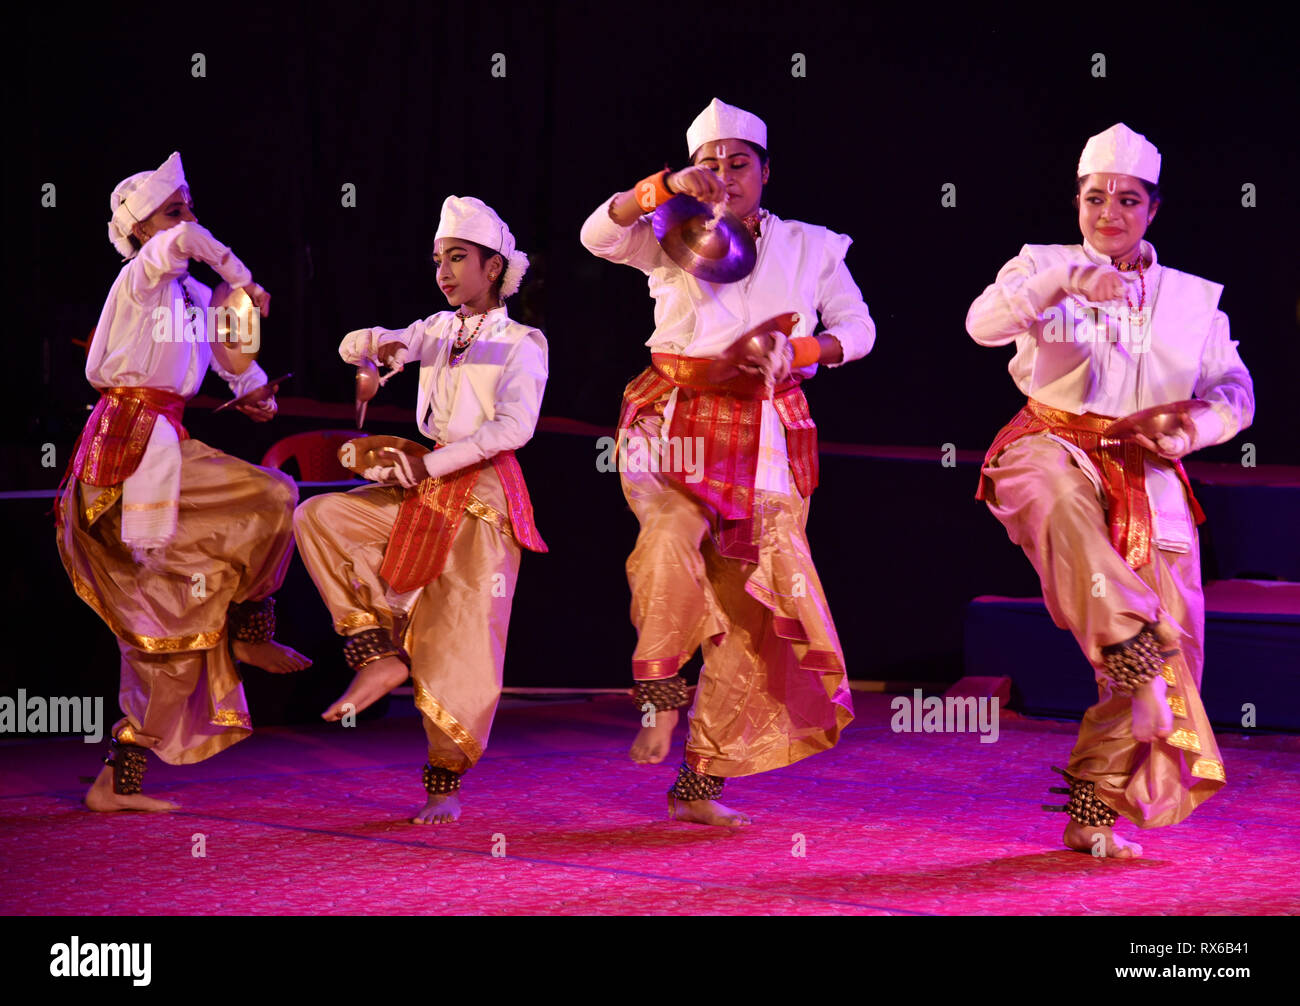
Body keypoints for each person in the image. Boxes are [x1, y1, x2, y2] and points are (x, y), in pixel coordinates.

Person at [580, 98, 876, 827]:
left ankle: (701, 783)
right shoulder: (668, 231)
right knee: (669, 539)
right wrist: (660, 190)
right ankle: (657, 698)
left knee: (751, 613)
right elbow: (595, 235)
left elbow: (859, 329)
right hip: (673, 413)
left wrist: (802, 351)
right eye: (710, 164)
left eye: (738, 163)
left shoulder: (811, 246)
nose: (724, 176)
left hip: (767, 430)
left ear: (765, 172)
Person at [966, 123, 1254, 858]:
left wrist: (1191, 432)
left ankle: (1091, 810)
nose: (1108, 214)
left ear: (1152, 209)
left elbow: (1234, 391)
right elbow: (982, 325)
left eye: (1127, 200)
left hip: (1145, 466)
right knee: (1063, 506)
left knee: (1180, 645)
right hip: (1050, 444)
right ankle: (1136, 652)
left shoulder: (1192, 301)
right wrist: (1064, 281)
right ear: (1077, 201)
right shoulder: (1043, 265)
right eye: (1095, 198)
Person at [57, 151, 310, 813]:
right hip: (127, 452)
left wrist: (256, 388)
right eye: (175, 209)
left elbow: (234, 353)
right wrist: (237, 269)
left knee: (168, 632)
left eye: (189, 206)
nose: (188, 219)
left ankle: (118, 781)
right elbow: (187, 243)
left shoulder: (191, 294)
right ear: (142, 230)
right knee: (270, 496)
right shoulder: (141, 276)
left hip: (166, 447)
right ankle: (251, 630)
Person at [293, 196, 547, 824]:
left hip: (481, 497)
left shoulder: (521, 342)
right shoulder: (437, 331)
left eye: (457, 258)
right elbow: (358, 344)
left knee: (458, 641)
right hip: (426, 487)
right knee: (320, 517)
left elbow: (514, 427)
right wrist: (377, 350)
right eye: (439, 259)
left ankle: (444, 783)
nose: (444, 270)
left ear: (494, 267)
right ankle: (374, 652)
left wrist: (431, 465)